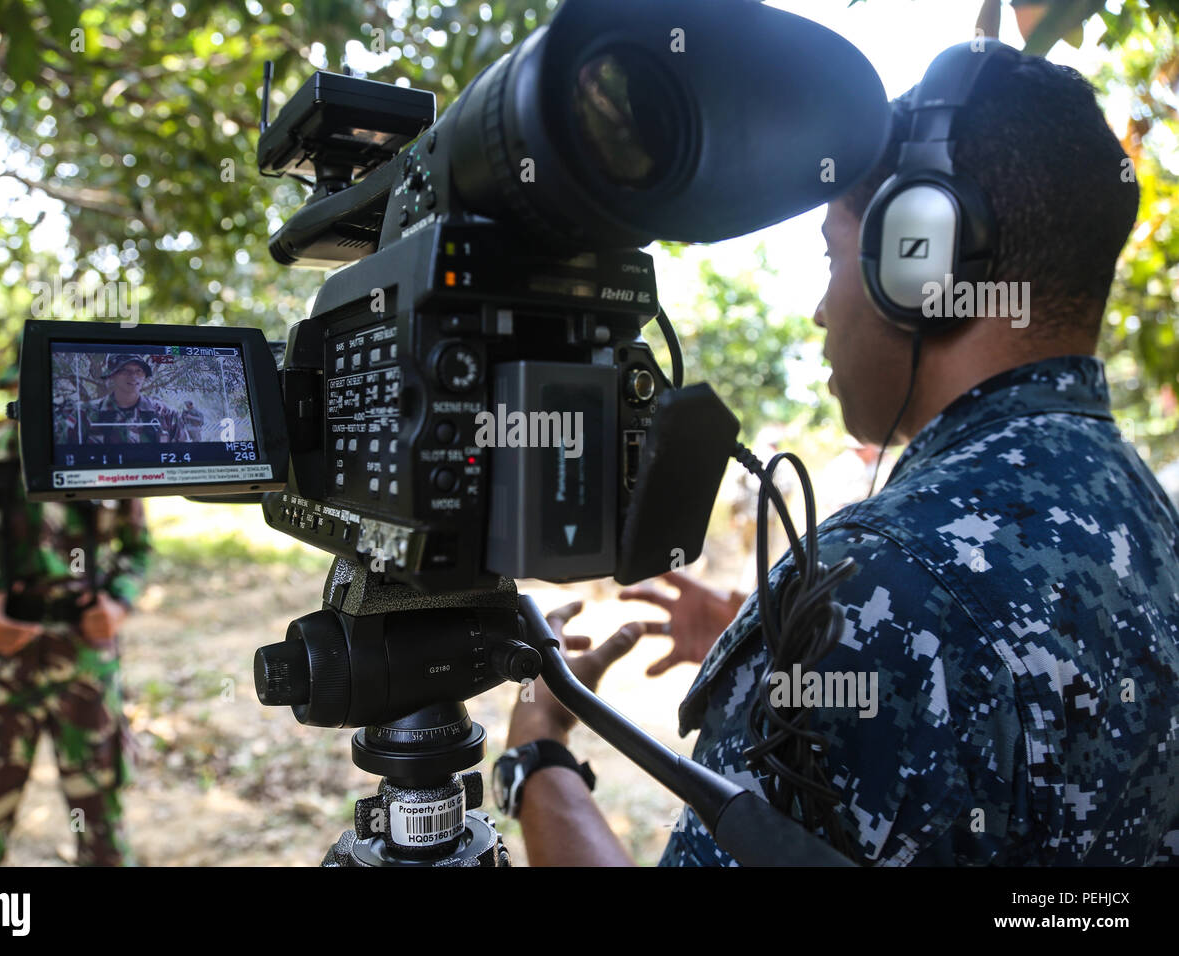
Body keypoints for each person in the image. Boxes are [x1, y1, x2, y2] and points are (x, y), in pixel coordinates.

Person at [496, 44, 1179, 866]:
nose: (821, 311)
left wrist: (536, 752)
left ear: (919, 256)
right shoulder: (1147, 517)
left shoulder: (877, 592)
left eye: (830, 254)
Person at [0, 366, 152, 865]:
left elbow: (138, 549)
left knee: (103, 820)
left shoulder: (109, 455)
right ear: (12, 398)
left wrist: (119, 602)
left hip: (86, 658)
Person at [67, 354, 189, 445]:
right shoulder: (85, 414)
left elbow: (184, 456)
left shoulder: (166, 414)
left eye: (139, 371)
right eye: (125, 371)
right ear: (112, 375)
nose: (133, 377)